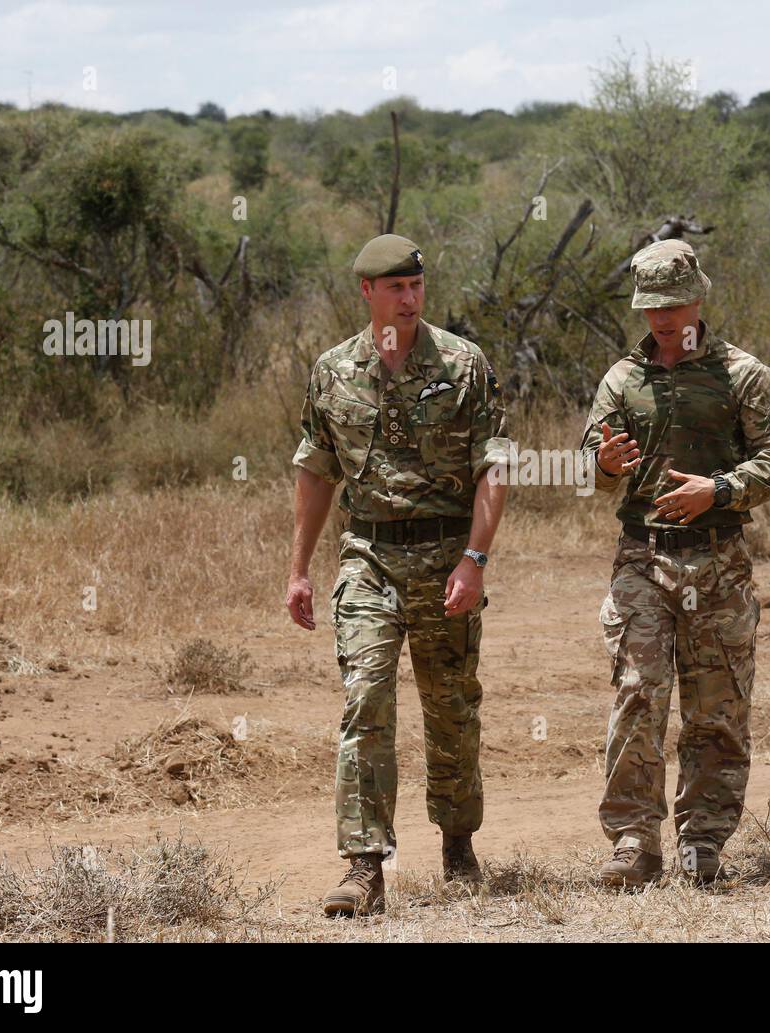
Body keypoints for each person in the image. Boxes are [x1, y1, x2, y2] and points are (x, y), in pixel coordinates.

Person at [286, 233, 510, 917]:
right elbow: (316, 469)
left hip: (446, 558)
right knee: (366, 700)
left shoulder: (465, 364)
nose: (410, 299)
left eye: (417, 286)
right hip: (369, 557)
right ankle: (362, 866)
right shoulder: (332, 371)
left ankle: (458, 840)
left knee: (451, 711)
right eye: (395, 288)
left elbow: (493, 467)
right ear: (368, 292)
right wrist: (297, 568)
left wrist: (474, 559)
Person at [580, 239, 770, 888]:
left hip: (719, 563)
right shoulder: (622, 380)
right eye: (651, 307)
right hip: (642, 560)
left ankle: (703, 841)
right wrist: (604, 464)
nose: (662, 318)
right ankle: (633, 842)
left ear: (698, 297)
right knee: (636, 698)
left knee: (715, 711)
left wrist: (719, 488)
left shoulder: (742, 375)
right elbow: (592, 466)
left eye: (673, 304)